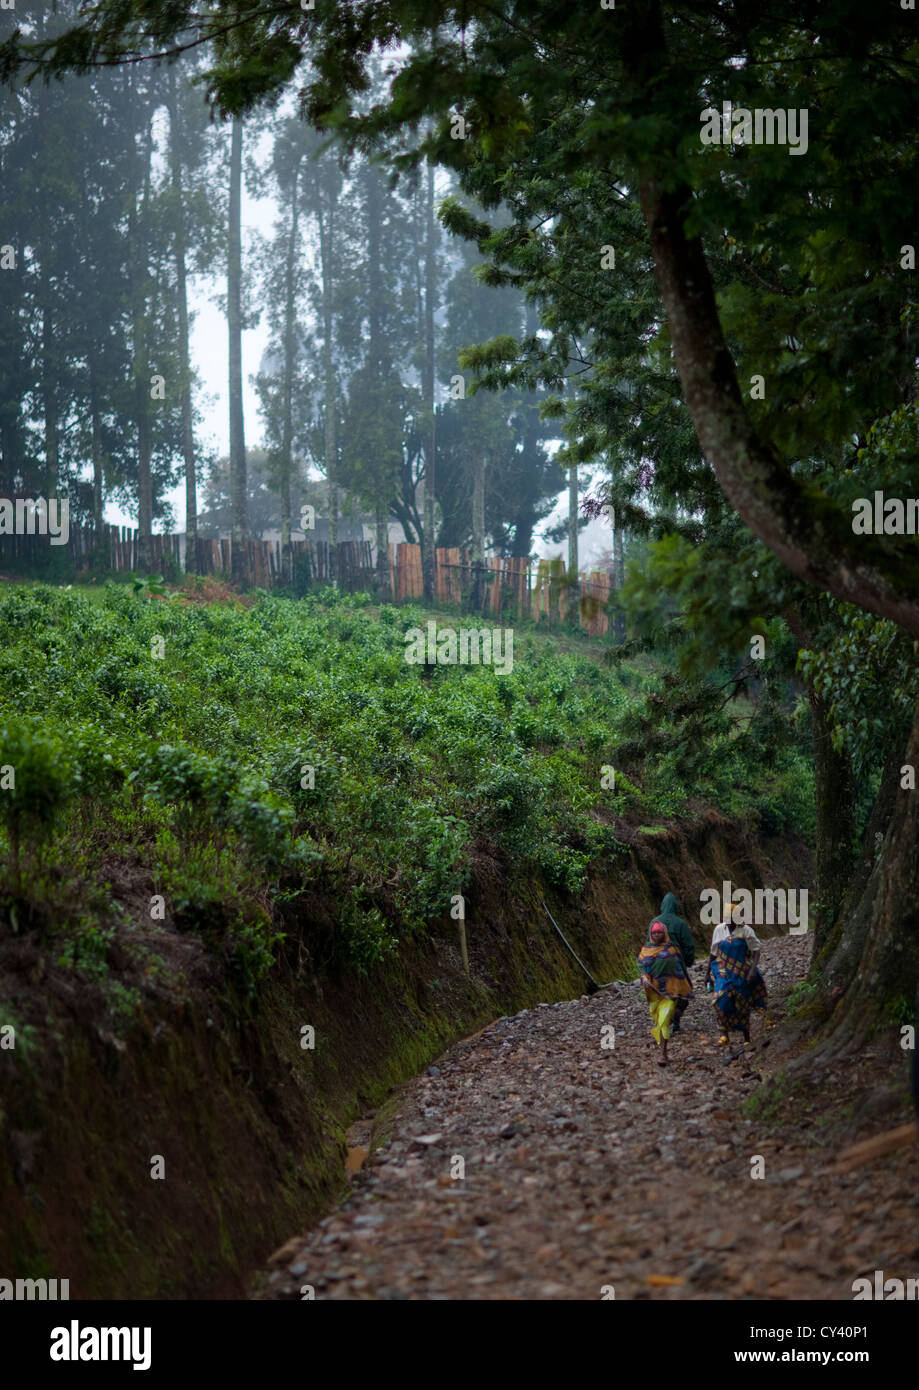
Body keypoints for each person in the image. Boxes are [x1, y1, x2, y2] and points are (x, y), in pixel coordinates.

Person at [705, 903, 767, 1044]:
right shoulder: (719, 930)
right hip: (723, 971)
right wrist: (707, 973)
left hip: (741, 971)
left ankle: (746, 1037)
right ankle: (724, 1034)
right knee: (720, 999)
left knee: (742, 1002)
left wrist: (752, 970)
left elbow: (756, 950)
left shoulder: (746, 931)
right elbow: (713, 953)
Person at [637, 920, 693, 1066]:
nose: (656, 935)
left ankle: (663, 1054)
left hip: (670, 991)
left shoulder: (672, 950)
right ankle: (664, 1050)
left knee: (664, 1021)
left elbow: (680, 969)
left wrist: (683, 987)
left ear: (665, 933)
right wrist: (644, 978)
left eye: (659, 932)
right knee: (658, 1020)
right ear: (650, 934)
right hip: (653, 992)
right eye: (654, 932)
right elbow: (641, 966)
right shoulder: (645, 950)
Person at [646, 892, 695, 1031]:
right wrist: (688, 962)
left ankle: (664, 1020)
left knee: (660, 992)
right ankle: (675, 1021)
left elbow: (647, 944)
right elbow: (688, 946)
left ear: (662, 906)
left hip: (657, 965)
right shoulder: (680, 923)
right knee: (682, 993)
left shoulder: (653, 922)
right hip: (676, 964)